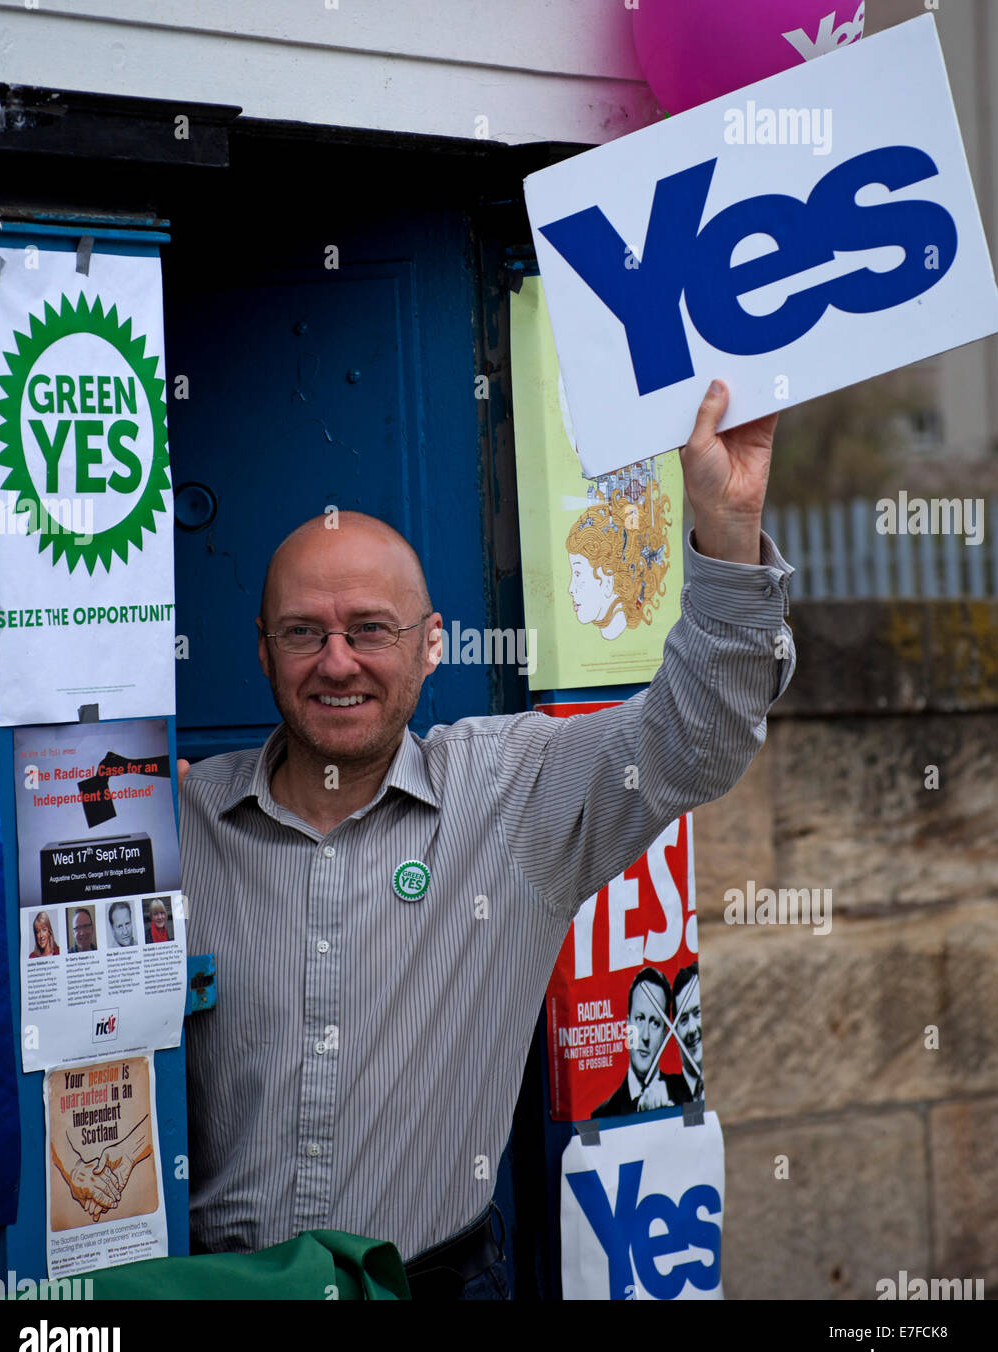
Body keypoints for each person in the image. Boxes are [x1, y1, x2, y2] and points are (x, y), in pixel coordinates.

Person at [179, 381, 795, 1299]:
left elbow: (696, 735)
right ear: (263, 651)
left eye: (370, 631)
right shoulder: (176, 824)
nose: (337, 661)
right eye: (303, 632)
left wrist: (726, 526)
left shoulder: (513, 792)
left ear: (432, 646)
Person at [591, 967, 691, 1117]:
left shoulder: (687, 1092)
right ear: (627, 1025)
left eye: (655, 1022)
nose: (645, 1036)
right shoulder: (603, 1115)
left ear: (665, 1032)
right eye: (639, 1019)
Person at [672, 962, 703, 1102]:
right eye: (683, 1019)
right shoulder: (664, 1095)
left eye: (697, 1013)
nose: (692, 1029)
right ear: (674, 1030)